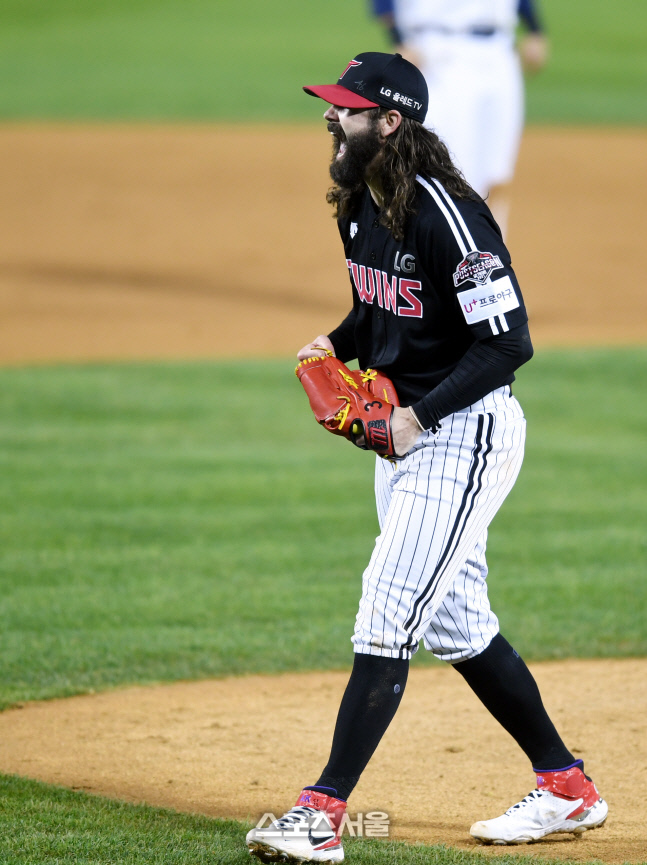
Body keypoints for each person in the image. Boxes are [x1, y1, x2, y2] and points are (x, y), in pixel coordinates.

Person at [246, 52, 607, 864]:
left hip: (465, 432)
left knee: (387, 604)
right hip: (415, 434)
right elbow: (376, 304)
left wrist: (417, 416)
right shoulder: (357, 201)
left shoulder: (451, 213)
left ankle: (321, 813)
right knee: (455, 619)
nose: (330, 118)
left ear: (390, 123)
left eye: (345, 109)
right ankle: (564, 785)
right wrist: (333, 341)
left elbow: (507, 342)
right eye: (331, 105)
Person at [372, 0, 549, 236]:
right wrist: (398, 40)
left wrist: (535, 29)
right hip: (439, 52)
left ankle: (491, 260)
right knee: (451, 171)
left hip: (500, 53)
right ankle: (440, 260)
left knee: (497, 173)